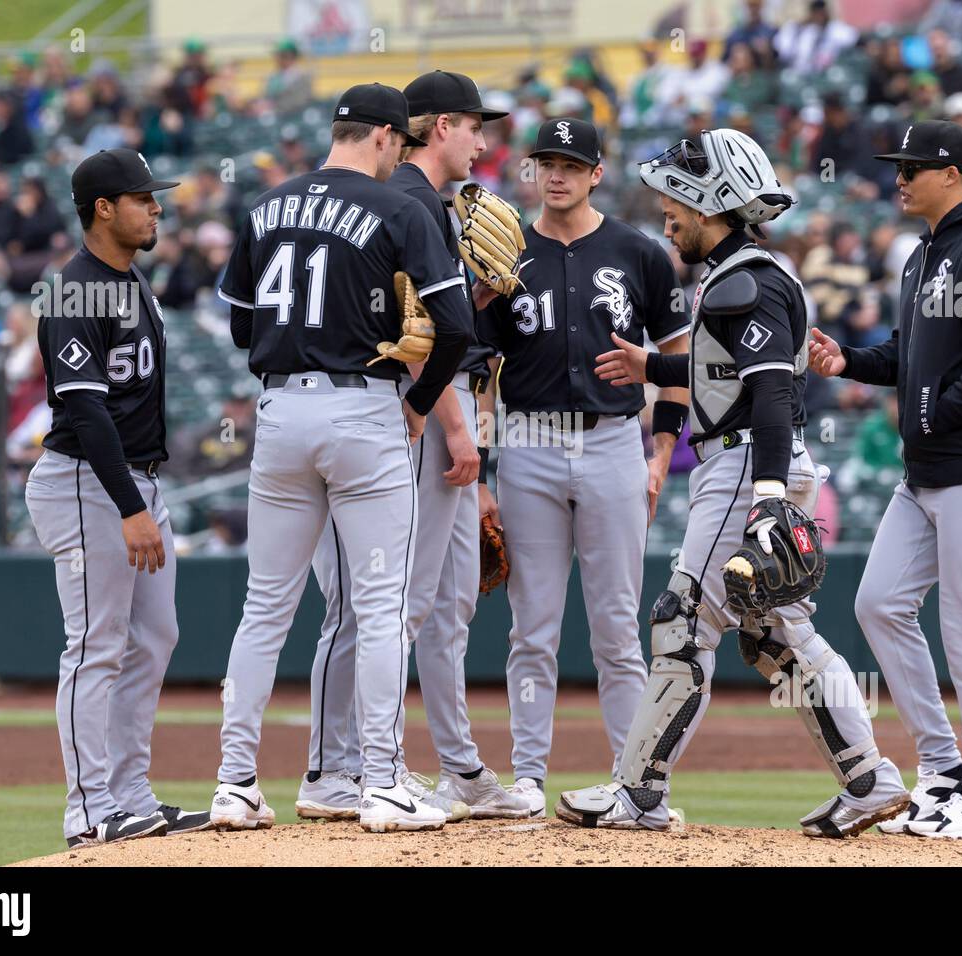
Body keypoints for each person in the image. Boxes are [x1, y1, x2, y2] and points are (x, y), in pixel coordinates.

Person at [555, 128, 909, 835]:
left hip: (749, 464)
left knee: (683, 618)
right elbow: (731, 378)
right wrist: (654, 369)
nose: (666, 213)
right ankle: (870, 780)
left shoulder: (745, 280)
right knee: (776, 633)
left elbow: (774, 392)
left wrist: (768, 500)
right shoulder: (746, 273)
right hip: (757, 456)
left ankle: (638, 793)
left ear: (710, 199)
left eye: (675, 201)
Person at [210, 84, 473, 834]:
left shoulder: (267, 206)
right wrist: (419, 406)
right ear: (388, 138)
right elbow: (452, 328)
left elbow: (238, 328)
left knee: (266, 608)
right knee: (381, 606)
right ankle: (383, 782)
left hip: (279, 411)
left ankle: (234, 783)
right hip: (365, 410)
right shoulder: (401, 209)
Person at [299, 70, 528, 823]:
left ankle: (458, 765)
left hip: (445, 411)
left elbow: (471, 346)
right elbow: (421, 338)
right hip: (413, 415)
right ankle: (358, 767)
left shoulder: (434, 204)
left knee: (449, 600)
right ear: (437, 127)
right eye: (472, 125)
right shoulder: (400, 201)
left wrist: (477, 444)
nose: (483, 141)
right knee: (390, 602)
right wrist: (458, 432)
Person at [808, 120, 962, 843]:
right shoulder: (925, 253)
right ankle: (943, 772)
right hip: (932, 468)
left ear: (956, 173)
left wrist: (933, 414)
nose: (899, 177)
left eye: (914, 165)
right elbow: (908, 355)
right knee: (879, 604)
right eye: (898, 165)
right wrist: (848, 360)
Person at [477, 118, 690, 815]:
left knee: (616, 628)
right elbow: (479, 370)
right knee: (531, 626)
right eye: (546, 162)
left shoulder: (639, 250)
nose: (558, 174)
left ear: (598, 172)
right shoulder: (504, 256)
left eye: (572, 162)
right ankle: (528, 780)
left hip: (611, 441)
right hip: (529, 442)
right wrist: (481, 467)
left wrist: (660, 455)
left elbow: (678, 356)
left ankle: (636, 784)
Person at [25, 148, 208, 847]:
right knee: (96, 644)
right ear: (104, 207)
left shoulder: (132, 284)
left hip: (135, 481)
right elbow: (86, 412)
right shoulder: (72, 290)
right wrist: (130, 507)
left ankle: (131, 792)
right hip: (87, 481)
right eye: (142, 197)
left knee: (156, 636)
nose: (156, 206)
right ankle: (88, 810)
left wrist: (140, 497)